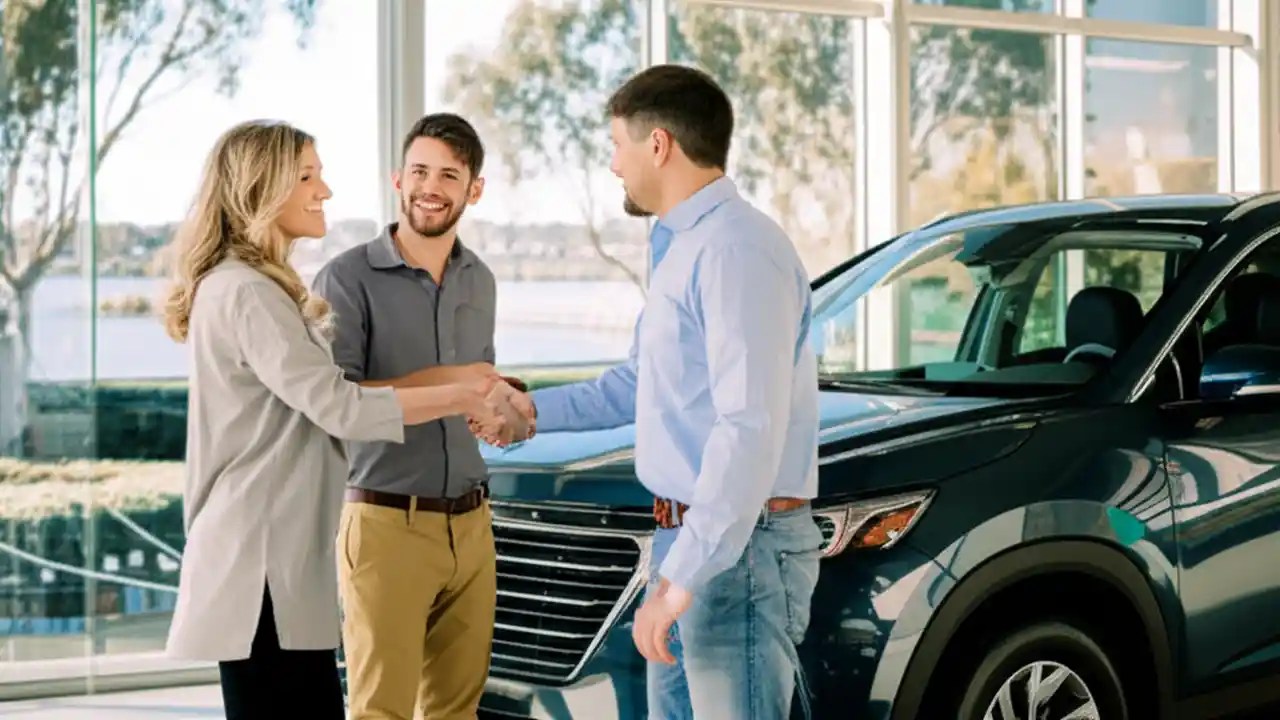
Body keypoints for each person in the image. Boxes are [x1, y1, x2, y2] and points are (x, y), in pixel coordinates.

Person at [160, 119, 508, 720]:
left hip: (280, 558)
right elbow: (339, 403)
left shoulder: (262, 288)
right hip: (260, 565)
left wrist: (474, 384)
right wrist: (462, 397)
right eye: (307, 176)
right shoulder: (246, 292)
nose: (324, 190)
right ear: (262, 188)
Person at [526, 65, 823, 719]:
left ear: (657, 144)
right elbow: (641, 384)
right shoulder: (684, 249)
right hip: (692, 544)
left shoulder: (736, 250)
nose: (613, 165)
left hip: (737, 552)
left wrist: (681, 580)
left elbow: (747, 427)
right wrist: (528, 412)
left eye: (616, 146)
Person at [312, 112, 534, 720]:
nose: (430, 187)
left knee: (456, 711)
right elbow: (338, 401)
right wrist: (458, 388)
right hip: (386, 524)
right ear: (396, 179)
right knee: (381, 711)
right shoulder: (347, 276)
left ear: (474, 189)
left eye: (448, 175)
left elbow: (478, 387)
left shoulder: (480, 280)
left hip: (472, 524)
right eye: (419, 171)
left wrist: (503, 414)